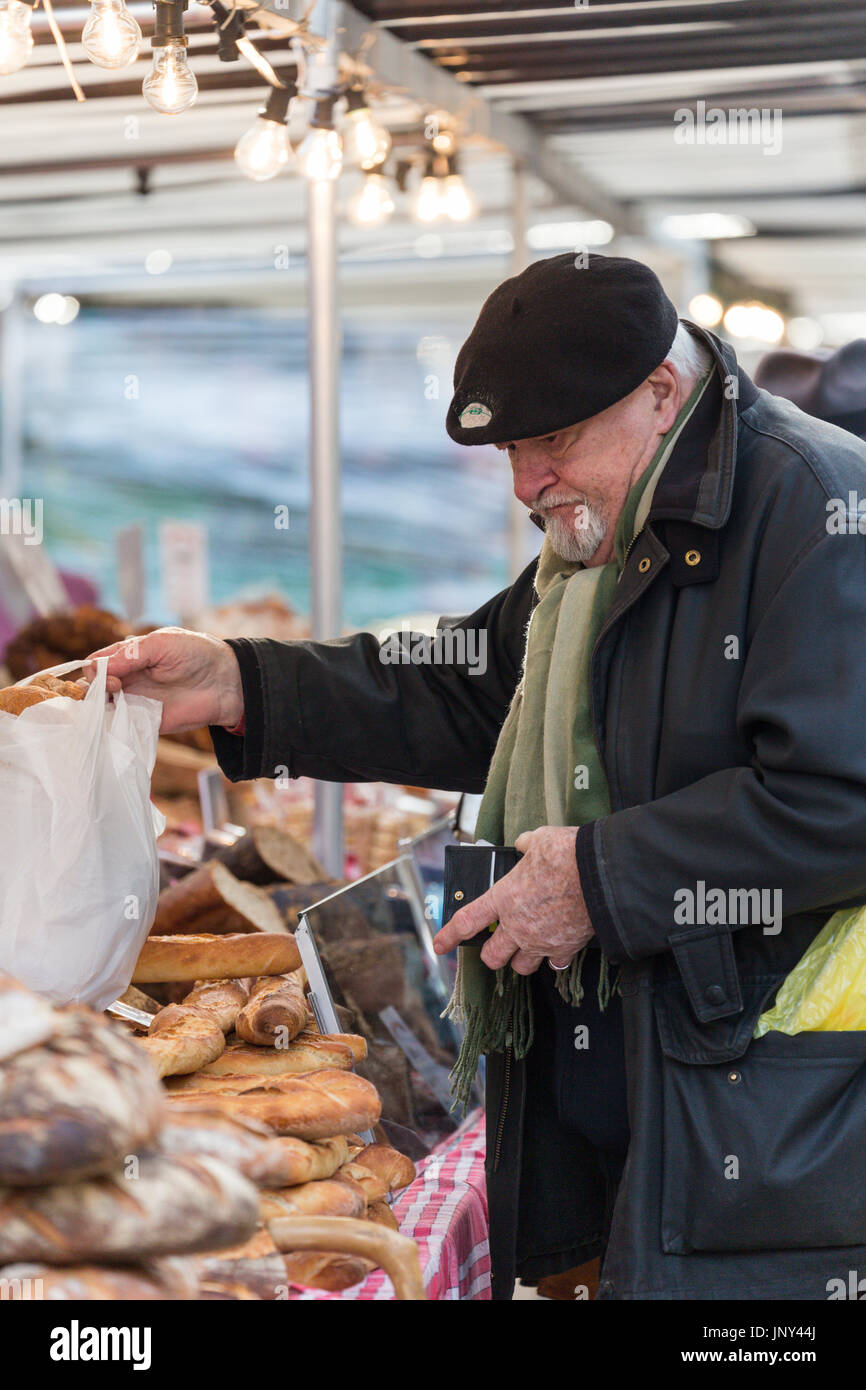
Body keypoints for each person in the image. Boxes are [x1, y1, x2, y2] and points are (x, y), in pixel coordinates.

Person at [88, 253, 866, 1301]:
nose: (522, 484)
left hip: (756, 1115)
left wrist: (600, 876)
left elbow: (839, 799)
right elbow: (460, 688)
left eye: (550, 441)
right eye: (508, 449)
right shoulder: (600, 540)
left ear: (659, 393)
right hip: (609, 1091)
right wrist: (240, 683)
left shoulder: (814, 505)